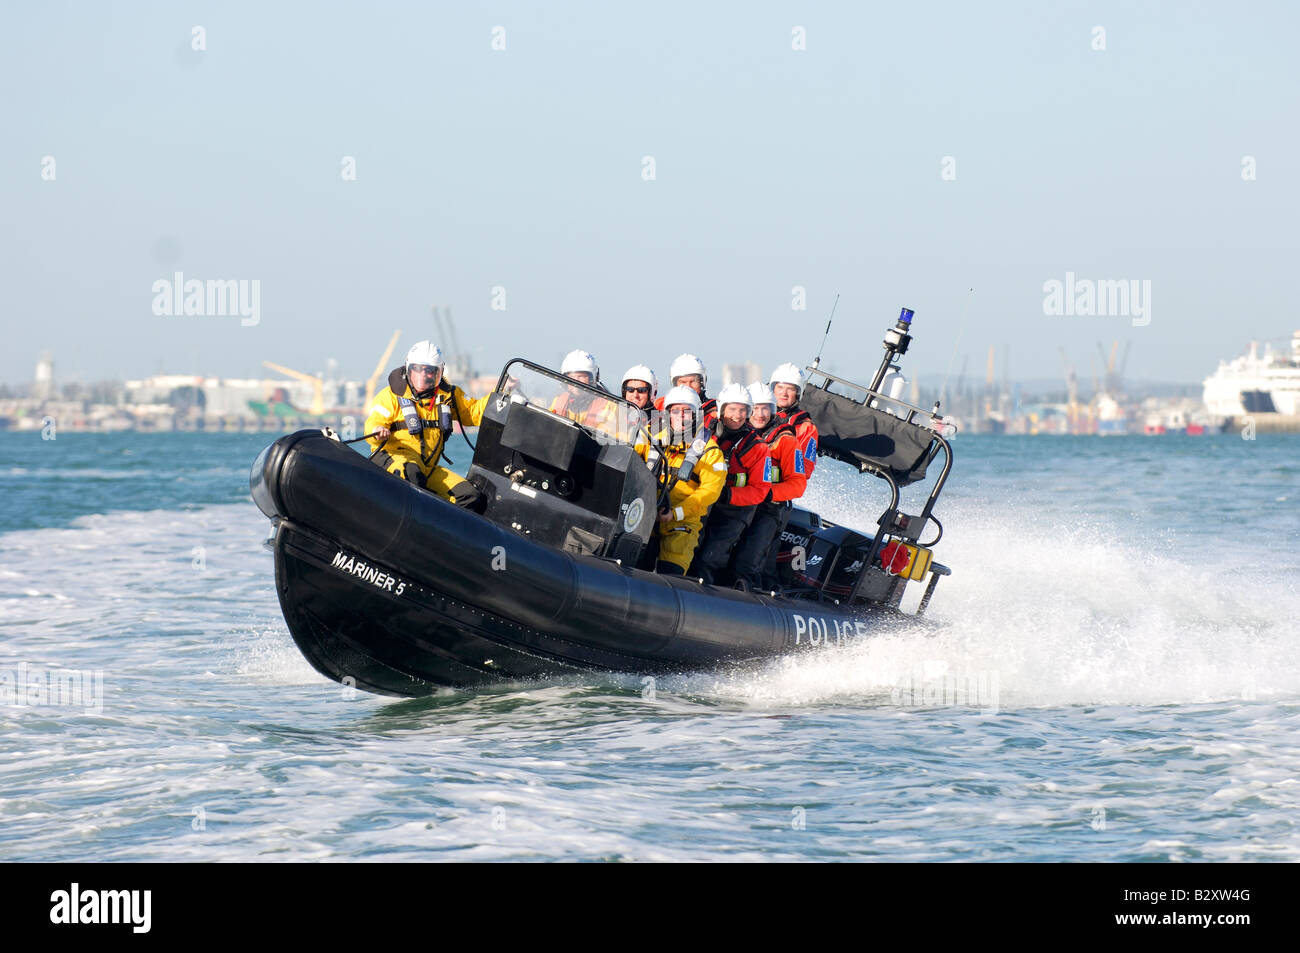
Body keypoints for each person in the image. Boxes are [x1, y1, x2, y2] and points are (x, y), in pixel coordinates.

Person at [365, 341, 490, 507]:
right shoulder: (390, 396)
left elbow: (474, 412)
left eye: (430, 371)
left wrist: (503, 393)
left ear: (439, 373)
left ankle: (439, 530)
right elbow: (374, 423)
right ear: (409, 369)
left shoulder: (448, 396)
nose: (423, 375)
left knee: (469, 495)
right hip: (394, 457)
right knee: (410, 472)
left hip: (426, 468)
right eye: (418, 370)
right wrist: (377, 430)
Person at [687, 383, 770, 586]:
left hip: (733, 511)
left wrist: (727, 495)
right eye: (732, 409)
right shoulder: (704, 434)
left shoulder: (758, 448)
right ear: (722, 410)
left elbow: (760, 491)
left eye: (743, 410)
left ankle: (703, 595)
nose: (738, 415)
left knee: (710, 556)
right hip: (703, 500)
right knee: (689, 545)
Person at [732, 380, 811, 590]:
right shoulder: (737, 433)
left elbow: (798, 485)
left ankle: (749, 595)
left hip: (767, 508)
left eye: (765, 409)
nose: (759, 414)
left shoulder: (785, 440)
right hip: (736, 504)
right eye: (755, 408)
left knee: (748, 562)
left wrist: (765, 493)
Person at [649, 385, 726, 575]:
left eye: (687, 411)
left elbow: (709, 492)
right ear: (667, 414)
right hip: (646, 516)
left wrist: (675, 513)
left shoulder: (711, 451)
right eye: (675, 411)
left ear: (696, 415)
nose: (681, 416)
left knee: (671, 574)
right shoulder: (651, 437)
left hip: (681, 523)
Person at [550, 349, 617, 430]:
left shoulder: (609, 406)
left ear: (593, 379)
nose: (575, 381)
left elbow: (611, 438)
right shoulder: (558, 401)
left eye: (581, 376)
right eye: (571, 377)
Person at [654, 354, 718, 429]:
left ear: (702, 382)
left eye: (693, 381)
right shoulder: (660, 405)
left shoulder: (714, 410)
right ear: (675, 384)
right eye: (683, 382)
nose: (688, 387)